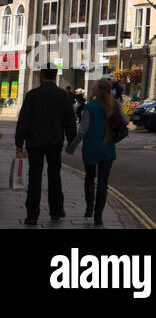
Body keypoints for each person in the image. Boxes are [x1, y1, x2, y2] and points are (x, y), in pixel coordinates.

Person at [14, 68, 76, 225]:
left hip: (34, 143)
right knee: (55, 176)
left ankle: (32, 215)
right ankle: (56, 211)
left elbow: (23, 120)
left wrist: (19, 143)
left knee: (34, 177)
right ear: (55, 75)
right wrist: (71, 142)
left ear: (41, 75)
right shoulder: (63, 95)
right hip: (55, 142)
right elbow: (69, 120)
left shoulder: (32, 95)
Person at [66, 78, 126, 225]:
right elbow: (125, 122)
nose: (93, 90)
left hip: (91, 148)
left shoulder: (90, 107)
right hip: (108, 147)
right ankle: (98, 216)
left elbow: (82, 131)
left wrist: (71, 147)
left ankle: (89, 208)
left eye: (95, 88)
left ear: (101, 91)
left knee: (89, 178)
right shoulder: (115, 106)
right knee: (103, 183)